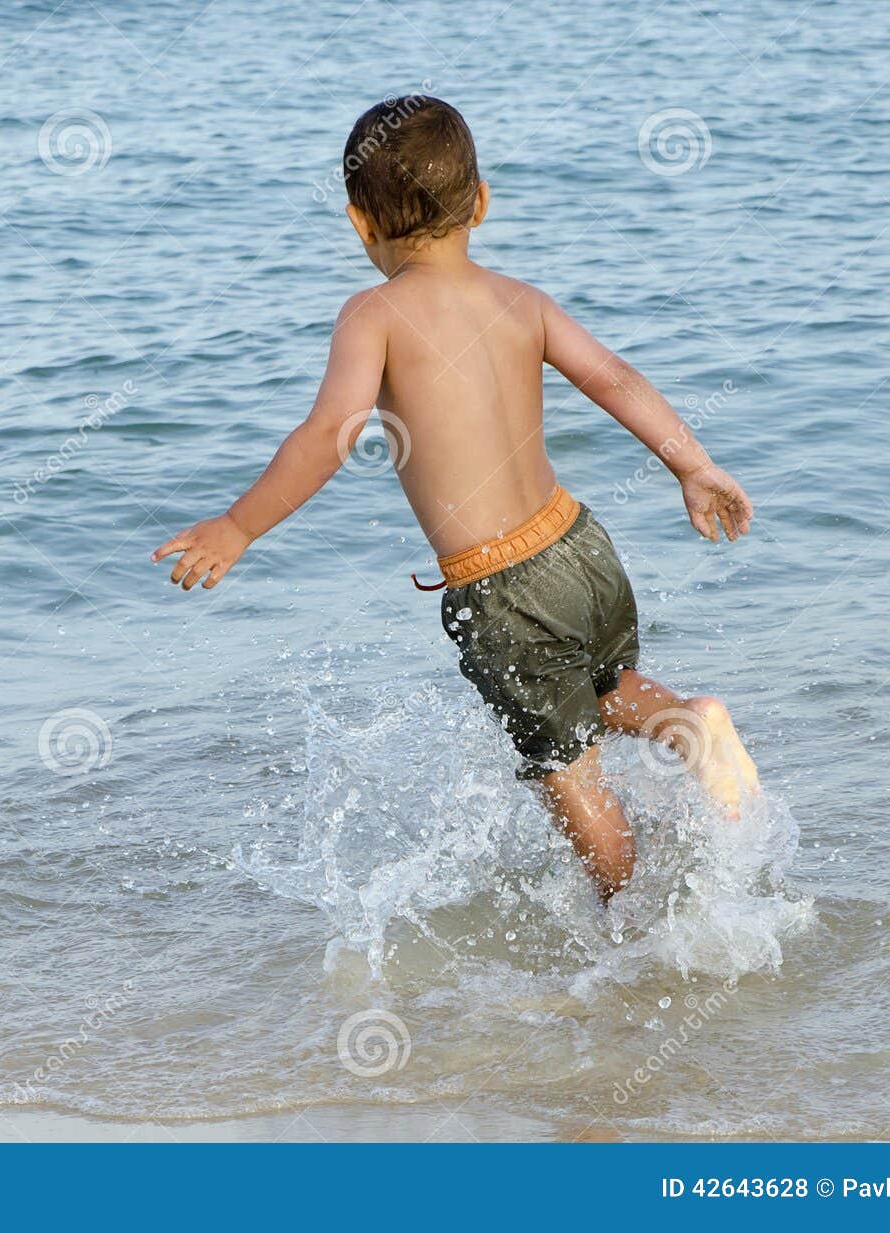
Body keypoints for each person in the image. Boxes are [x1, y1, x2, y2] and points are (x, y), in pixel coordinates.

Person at [152, 97, 759, 900]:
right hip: (581, 546)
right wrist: (692, 463)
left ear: (359, 224)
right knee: (605, 688)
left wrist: (237, 526)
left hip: (505, 586)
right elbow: (613, 377)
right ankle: (691, 721)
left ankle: (627, 931)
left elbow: (332, 430)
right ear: (481, 201)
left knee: (564, 769)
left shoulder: (372, 315)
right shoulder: (522, 299)